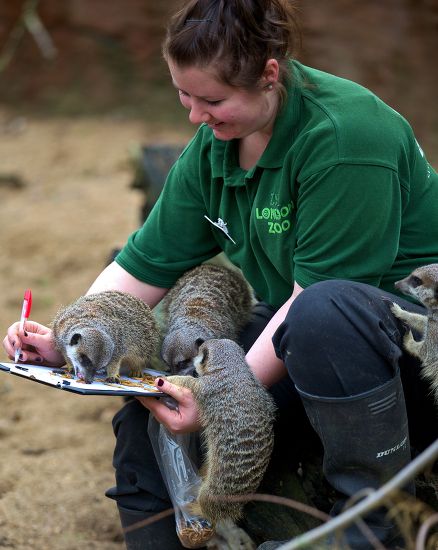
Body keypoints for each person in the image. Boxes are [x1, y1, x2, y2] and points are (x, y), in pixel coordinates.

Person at [4, 0, 438, 548]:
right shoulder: (215, 147)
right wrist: (65, 341)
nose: (194, 116)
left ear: (269, 75)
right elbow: (141, 266)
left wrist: (218, 398)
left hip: (407, 354)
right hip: (307, 339)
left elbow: (319, 305)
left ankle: (373, 530)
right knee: (151, 405)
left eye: (211, 100)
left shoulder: (347, 136)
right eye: (183, 96)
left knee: (324, 313)